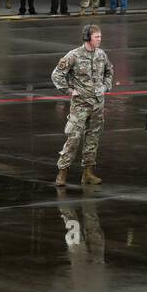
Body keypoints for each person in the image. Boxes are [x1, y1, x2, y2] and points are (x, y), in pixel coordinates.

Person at [51, 23, 113, 186]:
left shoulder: (101, 55)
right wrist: (69, 91)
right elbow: (57, 75)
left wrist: (105, 87)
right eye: (97, 37)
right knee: (73, 139)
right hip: (80, 106)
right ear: (88, 38)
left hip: (97, 105)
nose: (100, 39)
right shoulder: (74, 55)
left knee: (93, 139)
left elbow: (109, 71)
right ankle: (62, 172)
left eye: (100, 36)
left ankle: (88, 173)